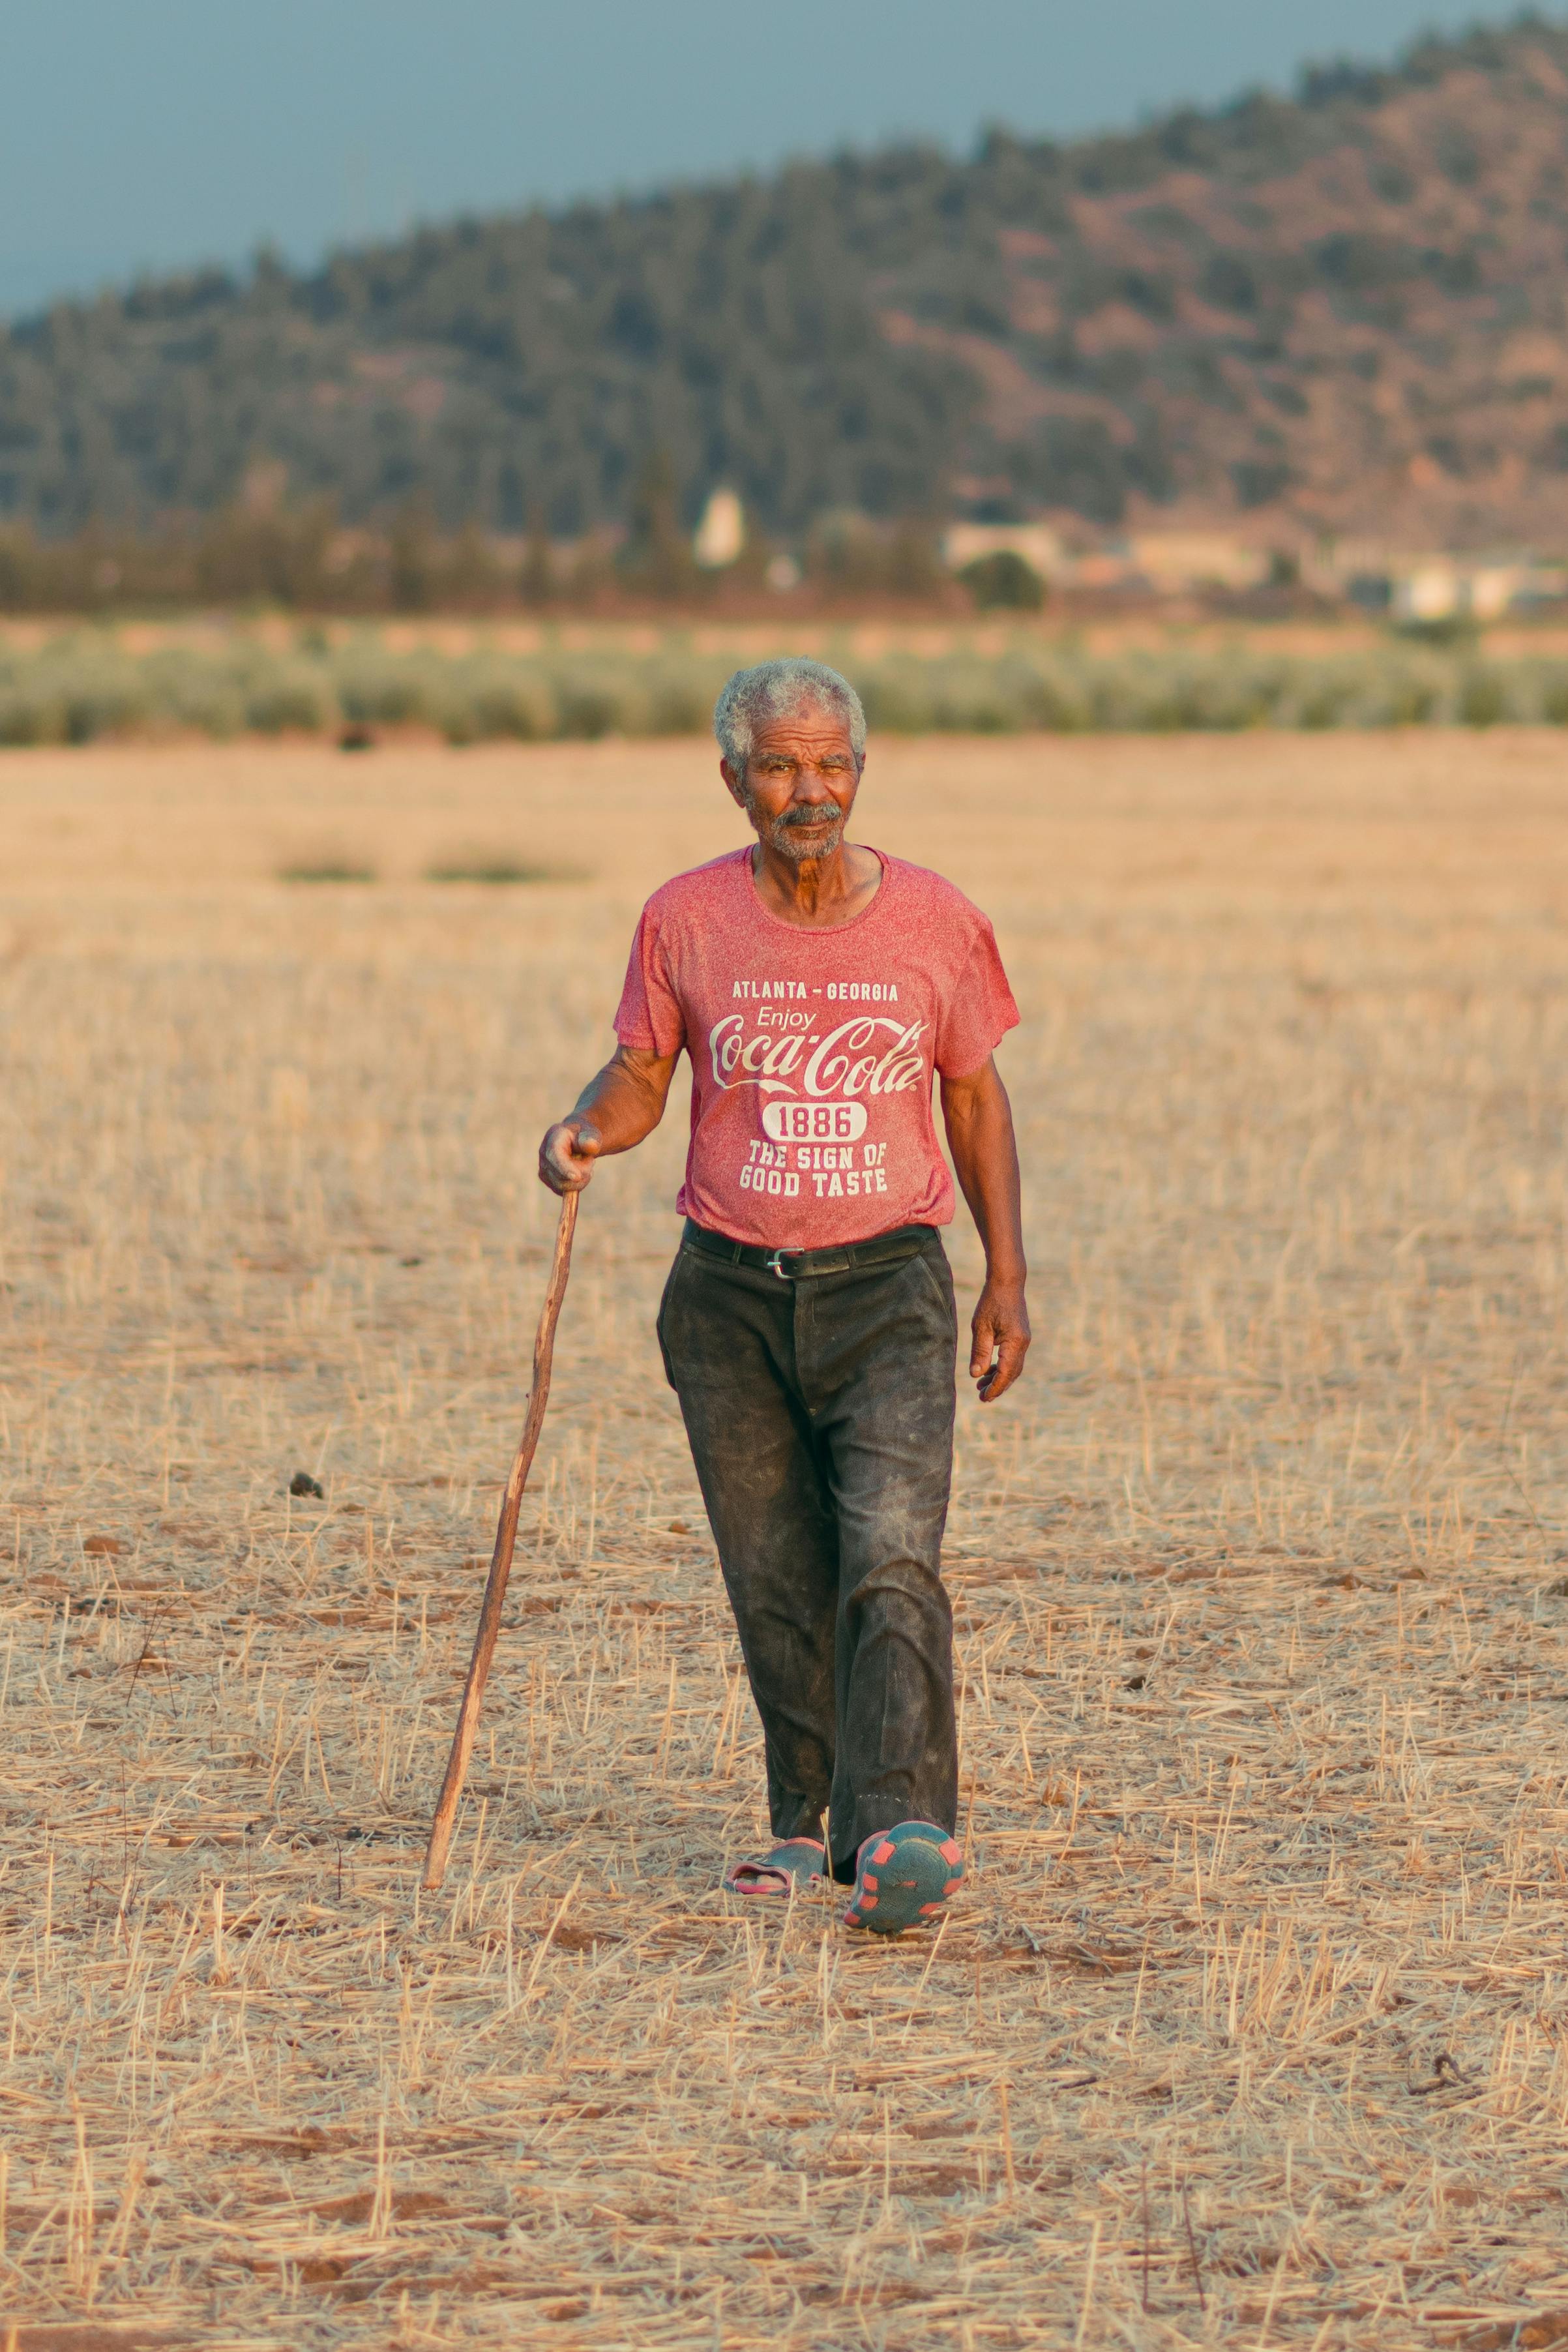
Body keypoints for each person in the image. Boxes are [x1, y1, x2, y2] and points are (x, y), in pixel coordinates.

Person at [539, 658, 1029, 1935]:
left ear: (859, 772)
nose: (810, 790)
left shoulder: (935, 921)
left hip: (889, 1289)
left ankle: (901, 1829)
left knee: (889, 1555)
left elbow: (973, 1094)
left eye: (833, 764)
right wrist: (588, 1129)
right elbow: (645, 1073)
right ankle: (801, 1826)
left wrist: (1007, 1275)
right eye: (780, 765)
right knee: (774, 1571)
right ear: (733, 781)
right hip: (729, 1298)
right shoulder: (685, 920)